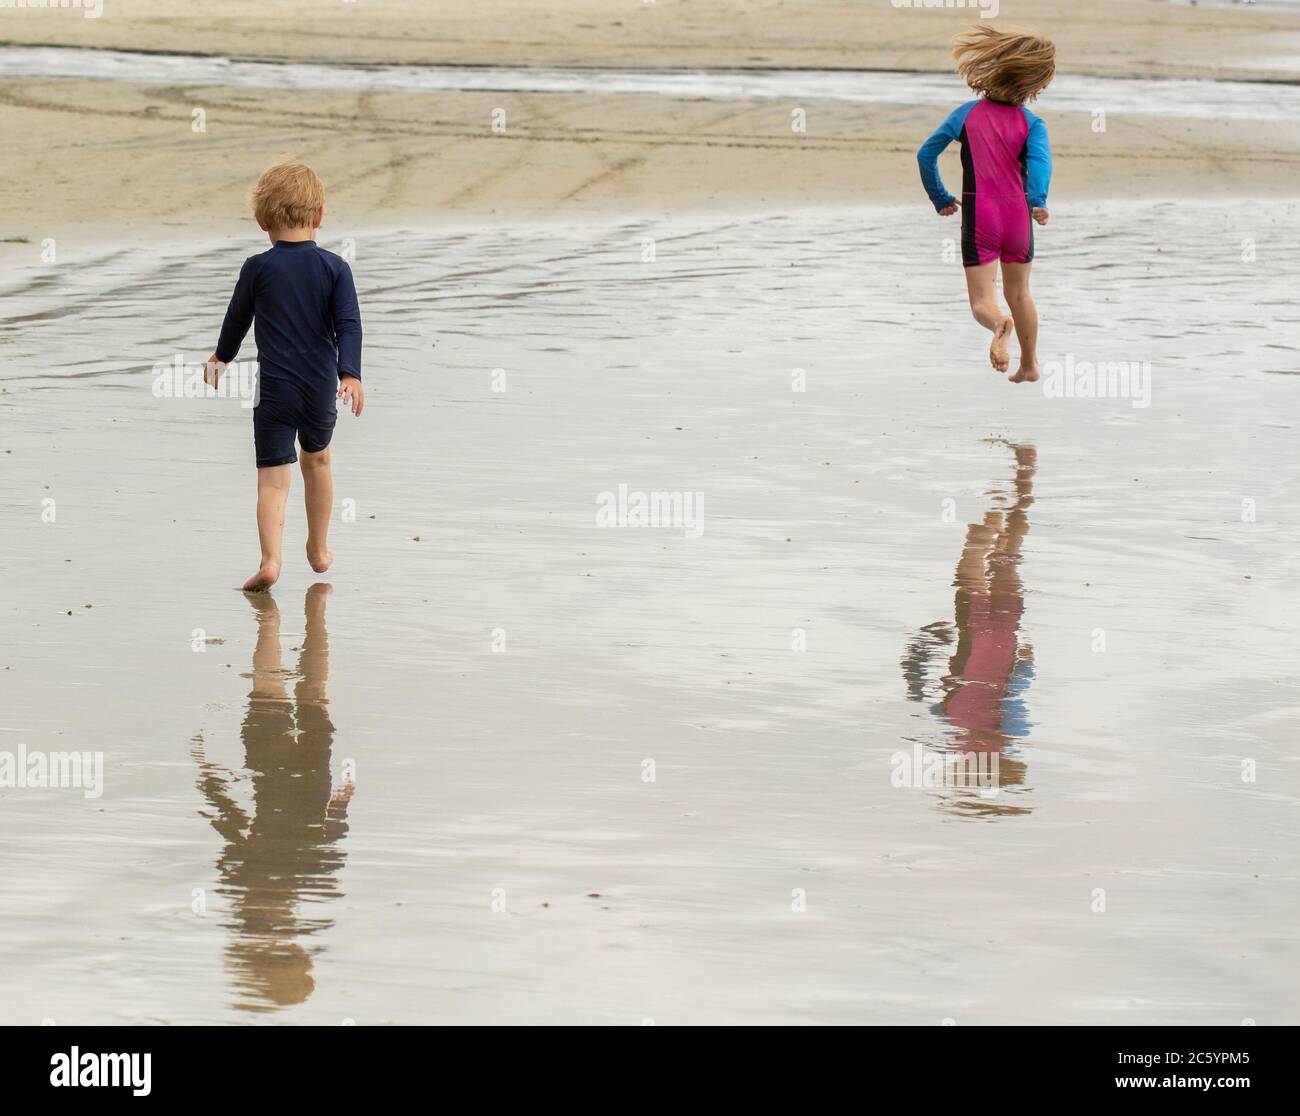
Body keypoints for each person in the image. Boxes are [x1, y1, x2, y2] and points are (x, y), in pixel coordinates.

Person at [204, 162, 364, 591]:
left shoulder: (257, 268)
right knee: (319, 460)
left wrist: (221, 358)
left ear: (262, 221)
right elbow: (349, 324)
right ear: (319, 216)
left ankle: (271, 560)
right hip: (317, 387)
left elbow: (236, 319)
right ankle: (318, 548)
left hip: (273, 389)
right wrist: (350, 374)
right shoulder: (335, 269)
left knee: (274, 479)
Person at [917, 27, 1054, 383]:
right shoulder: (1032, 123)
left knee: (982, 302)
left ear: (994, 69)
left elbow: (926, 154)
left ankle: (999, 324)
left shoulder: (965, 114)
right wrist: (1038, 201)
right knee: (1020, 292)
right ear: (1034, 84)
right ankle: (1029, 364)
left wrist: (940, 196)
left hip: (981, 215)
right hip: (1019, 216)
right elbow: (1040, 163)